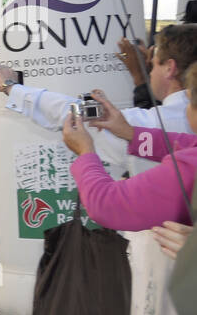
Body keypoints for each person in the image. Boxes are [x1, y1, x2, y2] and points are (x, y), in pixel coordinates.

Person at [0, 23, 197, 175]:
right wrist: (139, 79)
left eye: (154, 65)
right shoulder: (153, 123)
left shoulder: (151, 124)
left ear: (170, 68)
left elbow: (71, 113)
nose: (150, 73)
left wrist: (11, 88)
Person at [62, 65, 197, 232]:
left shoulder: (188, 168)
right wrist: (130, 132)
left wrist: (85, 152)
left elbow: (106, 205)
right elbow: (184, 143)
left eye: (189, 101)